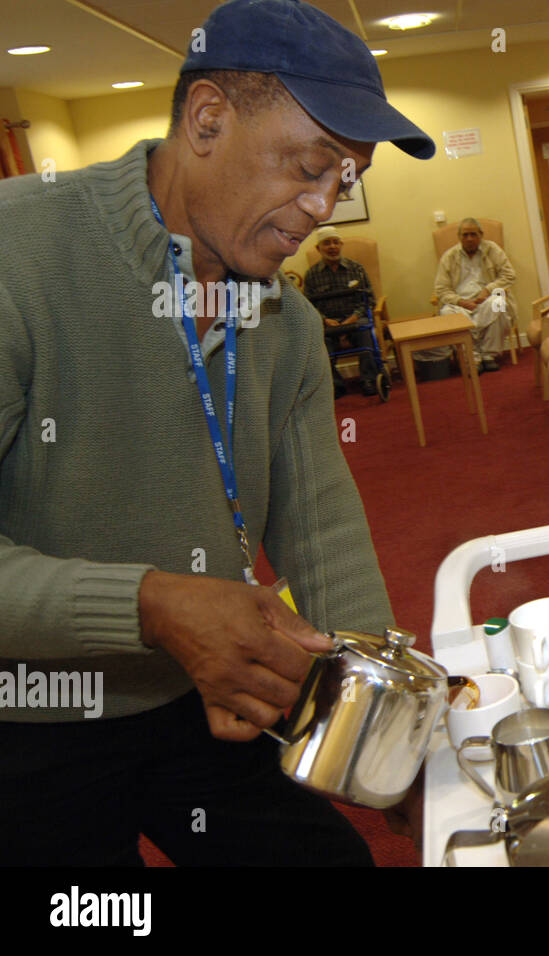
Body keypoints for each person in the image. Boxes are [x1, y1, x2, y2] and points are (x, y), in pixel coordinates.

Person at [0, 0, 435, 865]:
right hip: (26, 720)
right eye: (309, 166)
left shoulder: (288, 323)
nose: (321, 208)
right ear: (207, 119)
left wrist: (389, 723)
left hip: (200, 694)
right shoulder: (20, 255)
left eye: (343, 181)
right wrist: (152, 604)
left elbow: (327, 539)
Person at [419, 218, 517, 373]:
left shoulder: (493, 250)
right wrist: (461, 302)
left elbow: (509, 275)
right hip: (460, 303)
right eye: (465, 235)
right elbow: (441, 289)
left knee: (499, 303)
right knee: (446, 314)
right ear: (459, 237)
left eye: (473, 234)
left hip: (486, 298)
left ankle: (488, 355)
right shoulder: (449, 256)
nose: (469, 238)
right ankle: (472, 358)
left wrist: (488, 290)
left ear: (481, 235)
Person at [303, 225, 380, 398]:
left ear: (341, 245)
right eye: (327, 243)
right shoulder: (312, 275)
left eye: (336, 242)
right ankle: (335, 385)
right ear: (318, 248)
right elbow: (308, 306)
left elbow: (369, 300)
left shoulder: (356, 269)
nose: (332, 247)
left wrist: (352, 318)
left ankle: (368, 380)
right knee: (318, 340)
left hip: (354, 320)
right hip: (329, 324)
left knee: (365, 331)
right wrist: (325, 320)